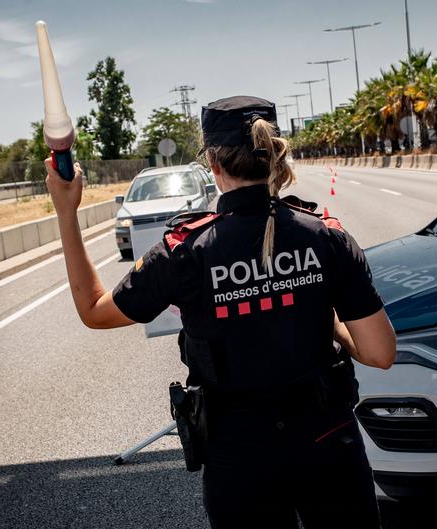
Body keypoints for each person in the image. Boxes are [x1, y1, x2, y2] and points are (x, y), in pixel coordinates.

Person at [45, 96, 397, 529]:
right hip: (328, 439)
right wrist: (332, 327)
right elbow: (380, 352)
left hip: (239, 453)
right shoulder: (327, 236)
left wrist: (66, 212)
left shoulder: (185, 252)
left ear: (211, 162)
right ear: (276, 152)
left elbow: (94, 311)